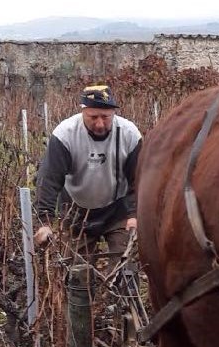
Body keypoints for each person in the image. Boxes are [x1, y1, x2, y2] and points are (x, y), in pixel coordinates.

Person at [33, 83, 142, 263]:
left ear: (114, 113)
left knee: (124, 268)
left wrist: (134, 215)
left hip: (118, 210)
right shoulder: (65, 134)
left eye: (106, 117)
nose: (100, 123)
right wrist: (44, 222)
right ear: (83, 111)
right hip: (77, 210)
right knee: (79, 274)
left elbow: (137, 179)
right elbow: (50, 179)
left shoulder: (129, 134)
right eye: (93, 117)